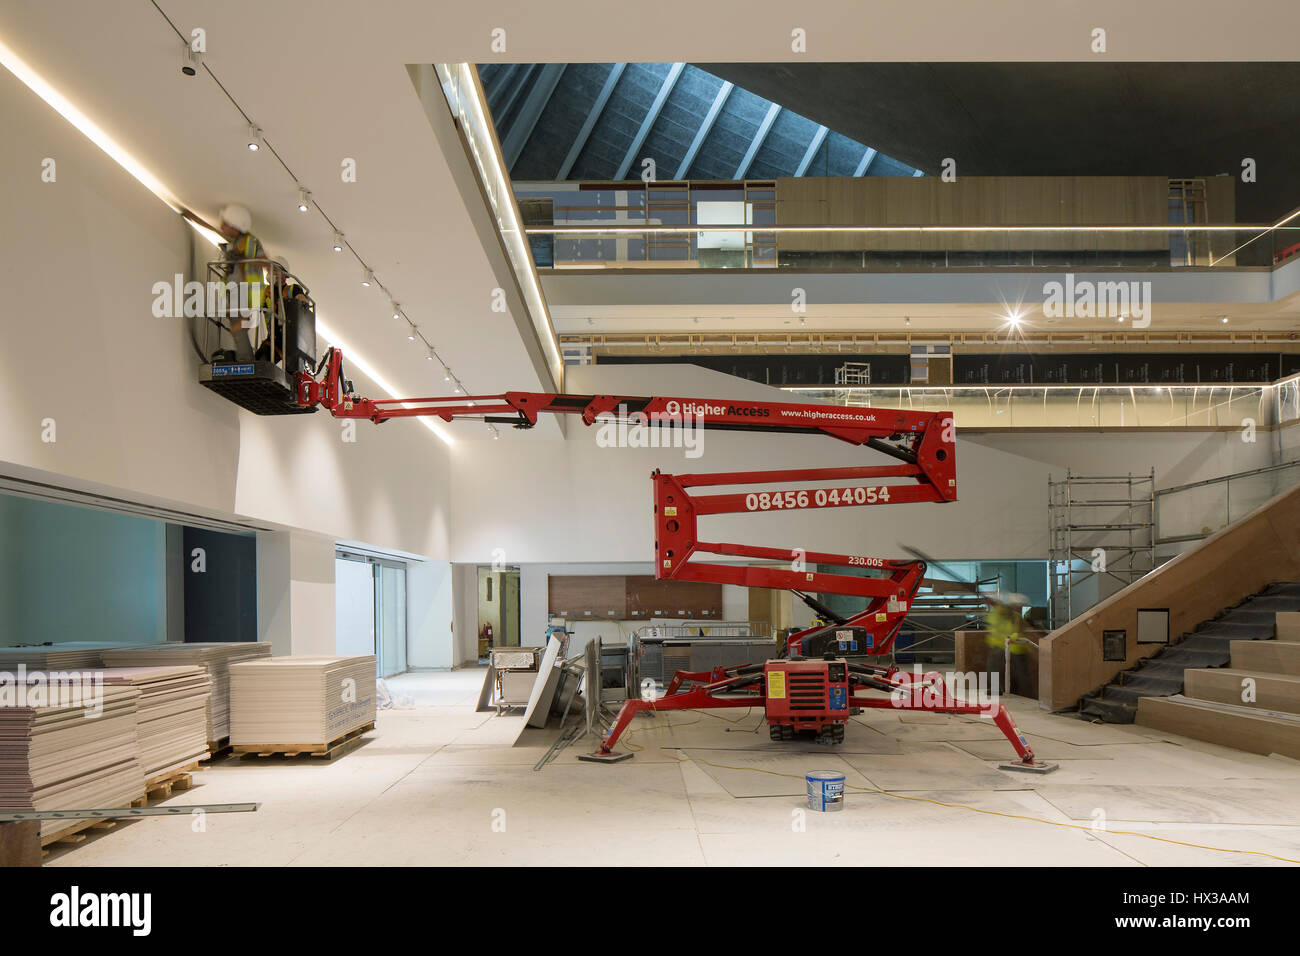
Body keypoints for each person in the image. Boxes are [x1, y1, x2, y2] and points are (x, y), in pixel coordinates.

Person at [216, 204, 267, 362]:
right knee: (237, 328)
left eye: (226, 222)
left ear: (235, 225)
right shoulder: (235, 242)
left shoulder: (251, 242)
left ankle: (246, 361)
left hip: (245, 292)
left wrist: (243, 258)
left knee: (238, 328)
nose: (222, 225)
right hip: (235, 292)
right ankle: (245, 359)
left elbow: (265, 262)